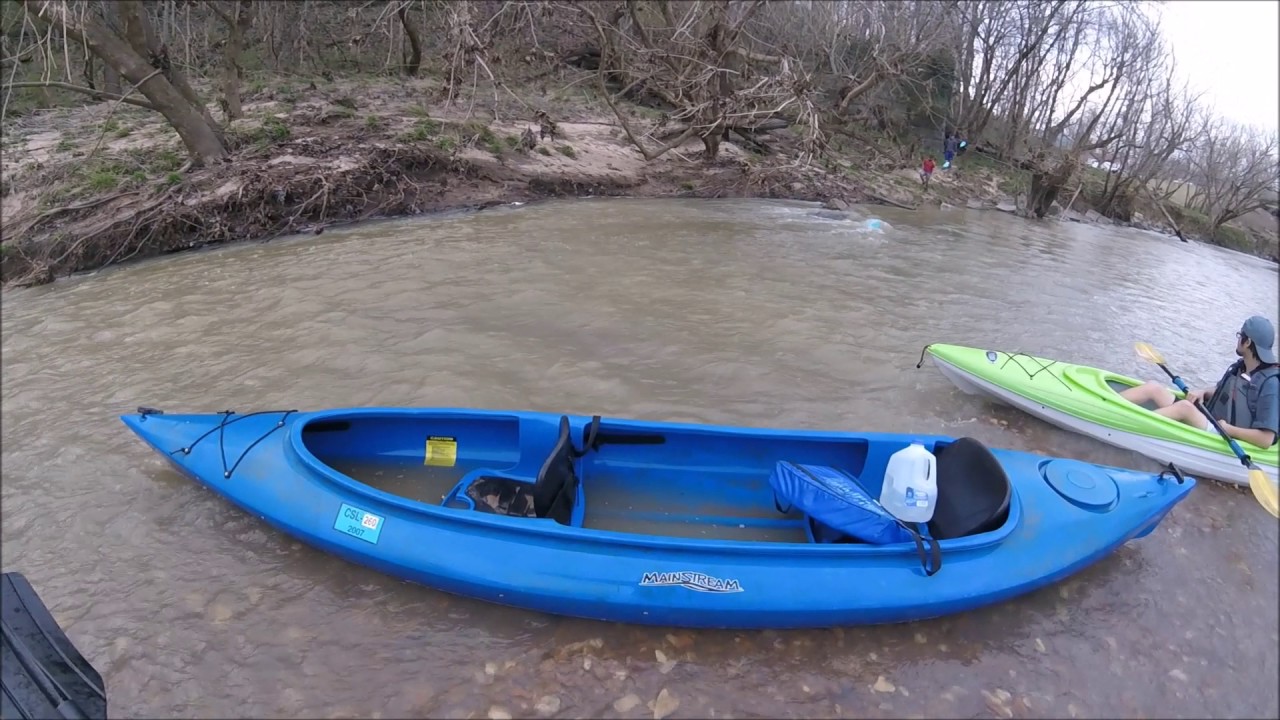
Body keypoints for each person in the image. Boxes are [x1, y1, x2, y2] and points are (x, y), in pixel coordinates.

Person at [1120, 316, 1279, 448]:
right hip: (1209, 417)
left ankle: (1125, 427)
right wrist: (1203, 392)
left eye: (1240, 335)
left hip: (1225, 433)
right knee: (1154, 387)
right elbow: (1227, 393)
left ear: (1248, 342)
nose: (1238, 340)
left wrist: (1229, 429)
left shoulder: (1271, 384)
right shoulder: (1242, 367)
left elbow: (1266, 439)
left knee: (1184, 407)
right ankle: (1106, 404)